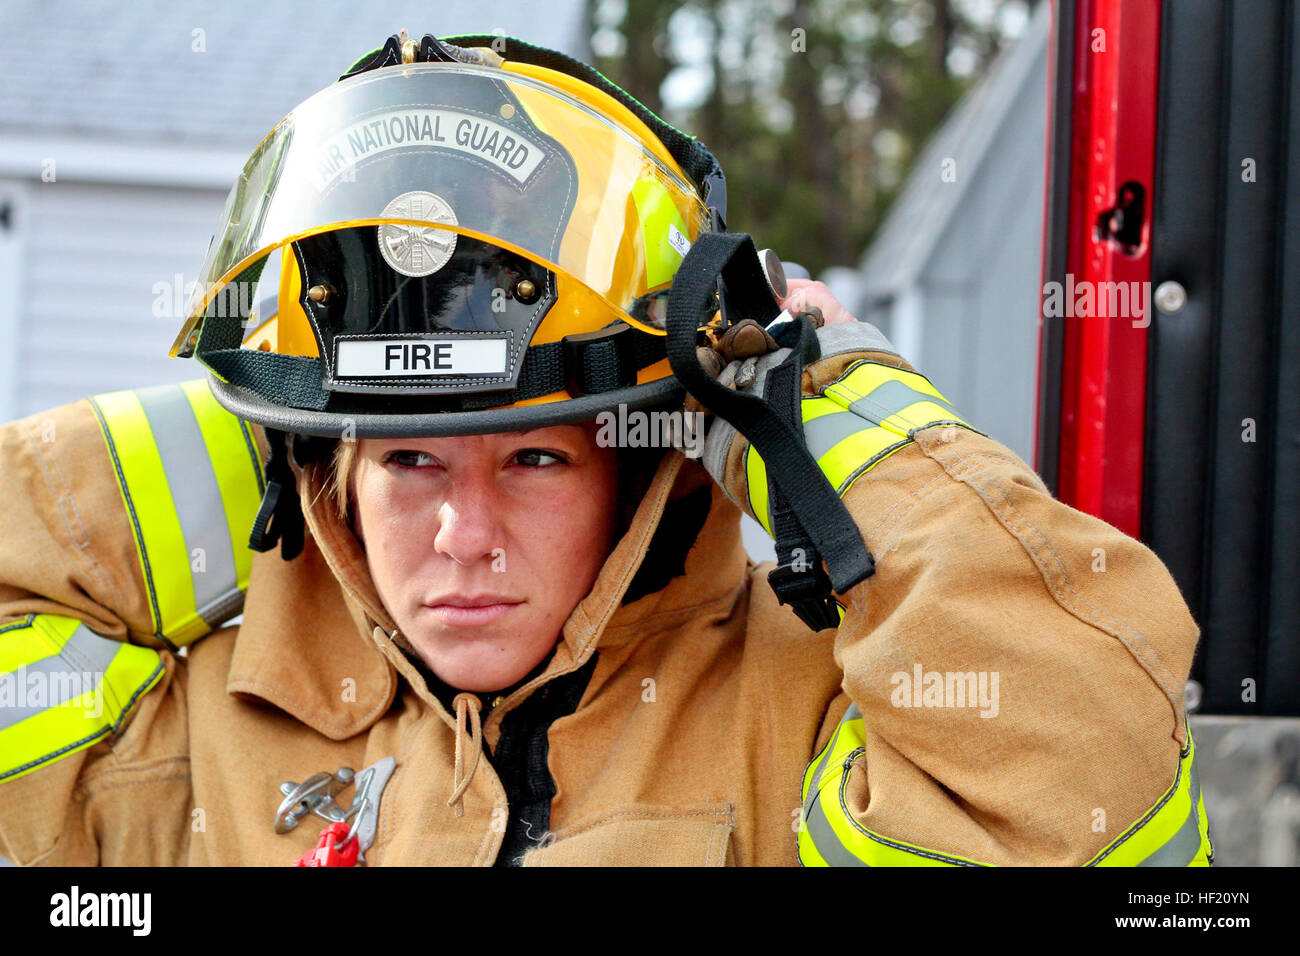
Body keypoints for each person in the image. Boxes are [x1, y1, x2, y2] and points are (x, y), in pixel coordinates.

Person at [0, 31, 1210, 867]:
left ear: (644, 460)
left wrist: (820, 408)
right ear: (328, 478)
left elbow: (1083, 788)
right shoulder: (201, 736)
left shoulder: (811, 708)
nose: (462, 537)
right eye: (407, 462)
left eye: (534, 459)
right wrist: (268, 428)